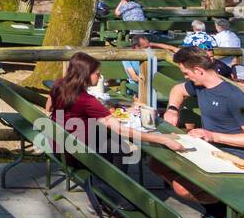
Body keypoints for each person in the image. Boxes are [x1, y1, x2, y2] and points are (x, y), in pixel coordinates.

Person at [158, 48, 244, 218]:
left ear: (198, 71)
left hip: (234, 159)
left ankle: (226, 211)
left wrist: (212, 136)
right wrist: (172, 108)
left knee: (181, 186)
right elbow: (178, 89)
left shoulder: (233, 97)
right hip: (208, 150)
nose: (186, 77)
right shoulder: (200, 85)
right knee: (157, 163)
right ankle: (219, 210)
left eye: (186, 73)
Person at [44, 53, 186, 161]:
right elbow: (121, 130)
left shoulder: (59, 84)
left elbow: (48, 107)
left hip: (57, 143)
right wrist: (163, 139)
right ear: (85, 75)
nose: (99, 77)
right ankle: (112, 189)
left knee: (109, 138)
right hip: (75, 153)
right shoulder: (87, 100)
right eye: (96, 73)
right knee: (120, 146)